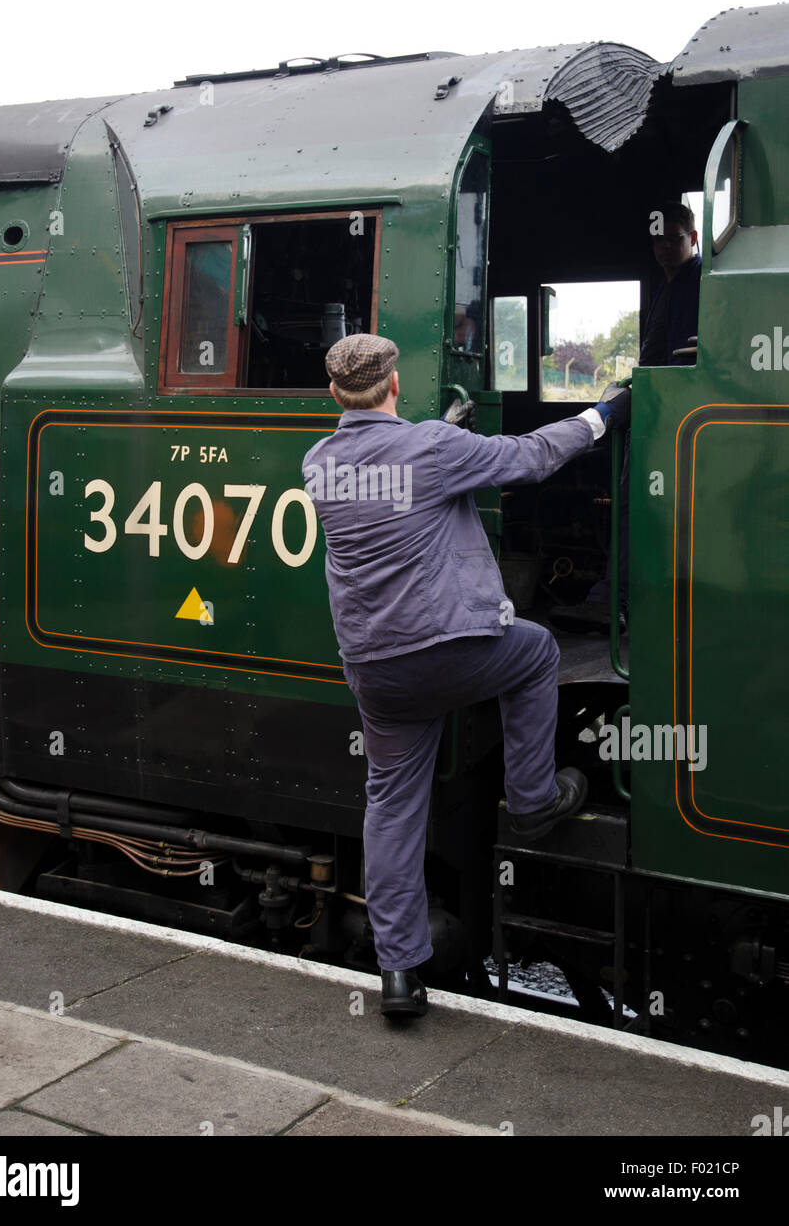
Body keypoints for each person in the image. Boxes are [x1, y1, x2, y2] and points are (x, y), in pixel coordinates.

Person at [302, 332, 630, 1018]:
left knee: (390, 806)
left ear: (334, 394)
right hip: (450, 650)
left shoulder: (320, 462)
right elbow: (531, 457)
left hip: (375, 668)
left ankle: (398, 973)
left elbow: (386, 478)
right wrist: (602, 414)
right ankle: (534, 799)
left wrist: (442, 437)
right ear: (393, 387)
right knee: (537, 651)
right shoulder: (429, 447)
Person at [549, 201, 701, 634]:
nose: (665, 247)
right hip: (659, 413)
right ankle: (616, 598)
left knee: (638, 509)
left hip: (669, 416)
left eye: (674, 238)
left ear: (692, 238)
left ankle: (615, 601)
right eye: (659, 239)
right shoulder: (668, 285)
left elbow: (681, 357)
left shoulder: (696, 282)